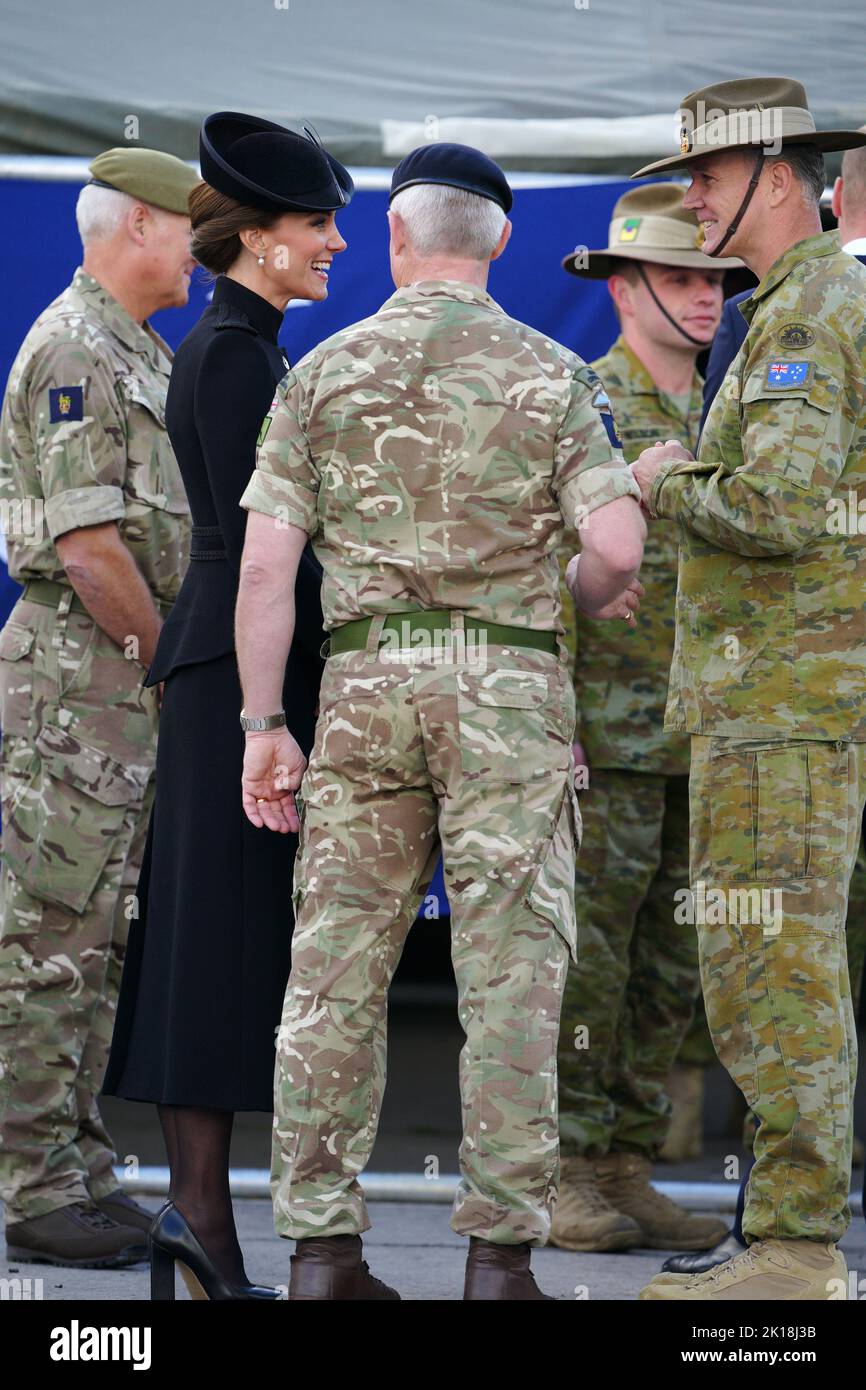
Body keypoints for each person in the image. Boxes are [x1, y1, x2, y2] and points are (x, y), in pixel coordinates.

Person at [234, 141, 647, 1300]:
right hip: (507, 697)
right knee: (512, 974)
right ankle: (498, 1261)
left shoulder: (318, 370)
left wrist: (265, 720)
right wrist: (530, 627)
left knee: (332, 971)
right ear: (501, 242)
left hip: (364, 686)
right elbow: (616, 547)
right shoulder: (554, 371)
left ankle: (319, 1253)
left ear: (394, 239)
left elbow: (267, 569)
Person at [101, 112, 353, 1302]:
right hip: (229, 678)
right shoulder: (240, 355)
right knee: (208, 946)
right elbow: (272, 549)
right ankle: (198, 1212)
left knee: (217, 940)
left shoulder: (235, 343)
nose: (335, 244)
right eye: (316, 226)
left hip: (220, 668)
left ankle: (200, 1222)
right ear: (258, 239)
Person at [629, 76, 866, 1302]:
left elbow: (773, 508)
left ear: (776, 174)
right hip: (791, 700)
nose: (697, 204)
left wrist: (665, 474)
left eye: (710, 179)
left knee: (769, 977)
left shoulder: (808, 308)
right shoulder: (817, 297)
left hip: (777, 706)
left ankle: (789, 1244)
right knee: (789, 970)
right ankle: (789, 1231)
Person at [0, 147, 197, 1268]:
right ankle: (34, 1183)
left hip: (107, 686)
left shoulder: (134, 346)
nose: (197, 246)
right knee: (49, 938)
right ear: (134, 226)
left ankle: (76, 1170)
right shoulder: (79, 345)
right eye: (185, 225)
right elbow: (88, 548)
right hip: (85, 683)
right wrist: (164, 662)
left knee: (95, 939)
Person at [551, 183, 734, 1255]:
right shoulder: (582, 401)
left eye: (713, 280)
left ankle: (624, 1164)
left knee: (671, 970)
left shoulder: (731, 412)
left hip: (696, 740)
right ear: (622, 289)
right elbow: (519, 557)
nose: (704, 301)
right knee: (587, 968)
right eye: (677, 280)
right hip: (602, 741)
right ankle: (566, 1171)